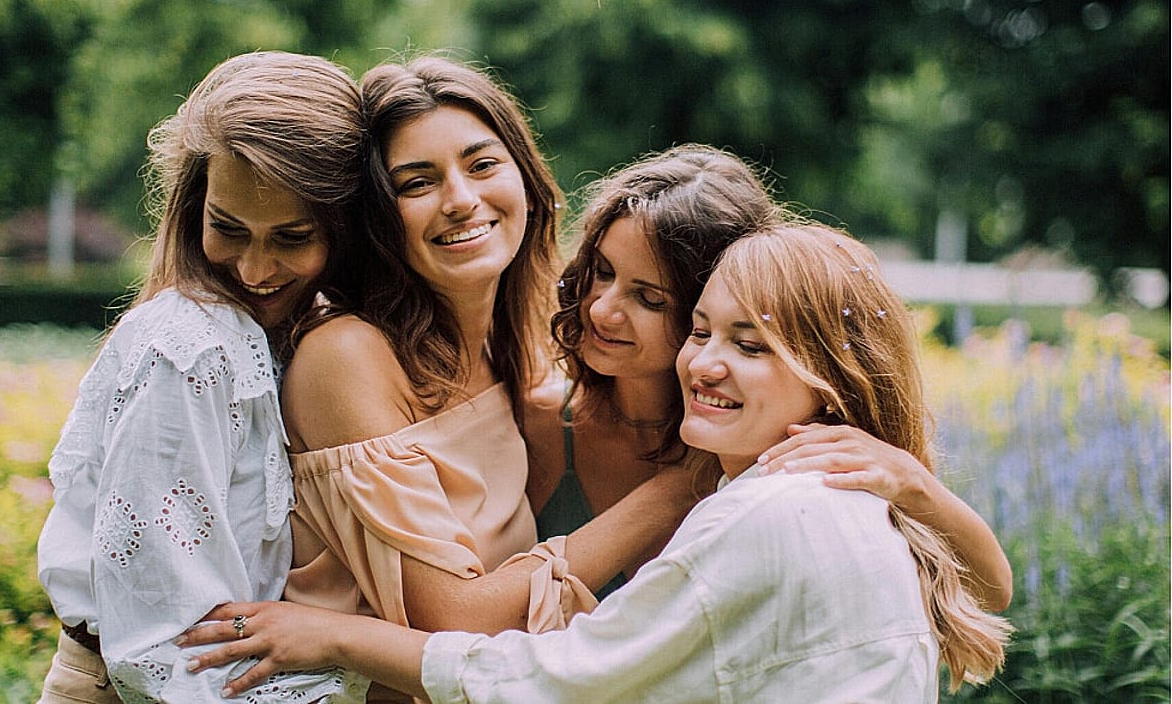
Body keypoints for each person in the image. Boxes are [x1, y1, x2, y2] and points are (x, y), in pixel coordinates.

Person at [178, 219, 1013, 702]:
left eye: (750, 344)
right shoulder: (832, 489)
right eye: (704, 330)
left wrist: (335, 636)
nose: (704, 361)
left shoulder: (777, 509)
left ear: (830, 375)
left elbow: (548, 681)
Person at [273, 55, 696, 684]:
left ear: (524, 177)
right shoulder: (349, 355)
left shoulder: (515, 345)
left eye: (482, 165)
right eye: (417, 183)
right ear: (378, 218)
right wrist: (681, 487)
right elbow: (455, 621)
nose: (461, 200)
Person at [524, 143, 1012, 608]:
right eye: (603, 271)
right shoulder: (535, 426)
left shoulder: (775, 445)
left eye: (650, 298)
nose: (602, 309)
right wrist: (675, 490)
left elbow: (988, 591)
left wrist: (913, 480)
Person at [35, 50, 370, 703]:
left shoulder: (311, 332)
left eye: (292, 236)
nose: (253, 268)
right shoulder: (188, 346)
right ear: (194, 206)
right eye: (228, 228)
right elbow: (167, 644)